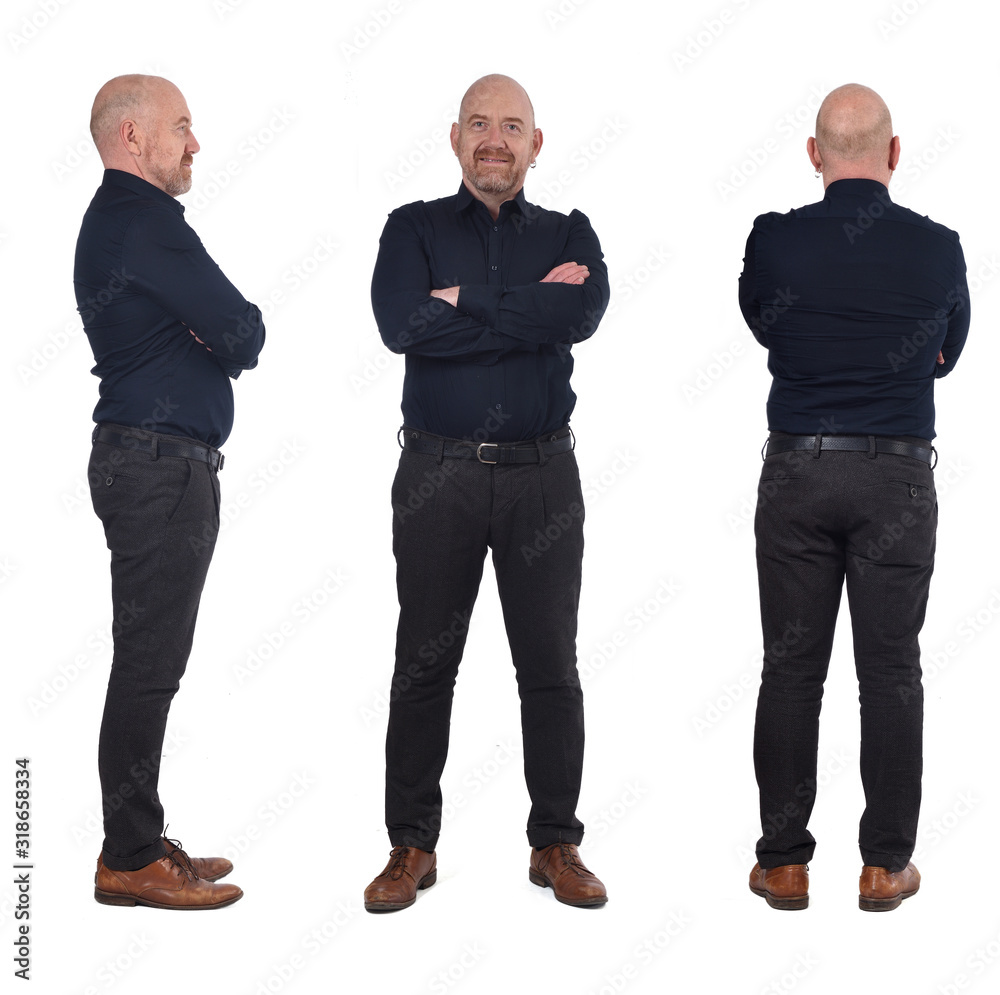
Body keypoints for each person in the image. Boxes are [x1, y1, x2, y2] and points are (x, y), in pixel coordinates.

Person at [364, 74, 610, 911]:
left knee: (550, 667)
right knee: (423, 663)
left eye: (512, 125)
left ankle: (557, 842)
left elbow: (579, 317)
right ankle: (411, 844)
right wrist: (528, 305)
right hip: (439, 472)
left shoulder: (570, 230)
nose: (494, 138)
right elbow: (402, 326)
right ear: (455, 137)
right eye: (479, 123)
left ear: (537, 144)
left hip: (543, 473)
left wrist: (463, 300)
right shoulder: (413, 227)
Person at [740, 83, 969, 912]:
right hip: (896, 479)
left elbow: (766, 324)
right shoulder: (939, 249)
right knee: (891, 672)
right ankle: (884, 864)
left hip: (800, 469)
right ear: (894, 153)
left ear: (814, 156)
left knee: (791, 668)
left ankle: (785, 862)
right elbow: (947, 352)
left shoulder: (773, 242)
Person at [75, 74, 265, 909]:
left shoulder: (127, 224)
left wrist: (209, 335)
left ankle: (142, 836)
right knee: (149, 666)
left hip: (154, 461)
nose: (195, 143)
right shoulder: (144, 222)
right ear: (131, 139)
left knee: (152, 662)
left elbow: (224, 331)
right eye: (181, 127)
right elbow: (243, 329)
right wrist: (211, 338)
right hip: (157, 467)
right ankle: (127, 856)